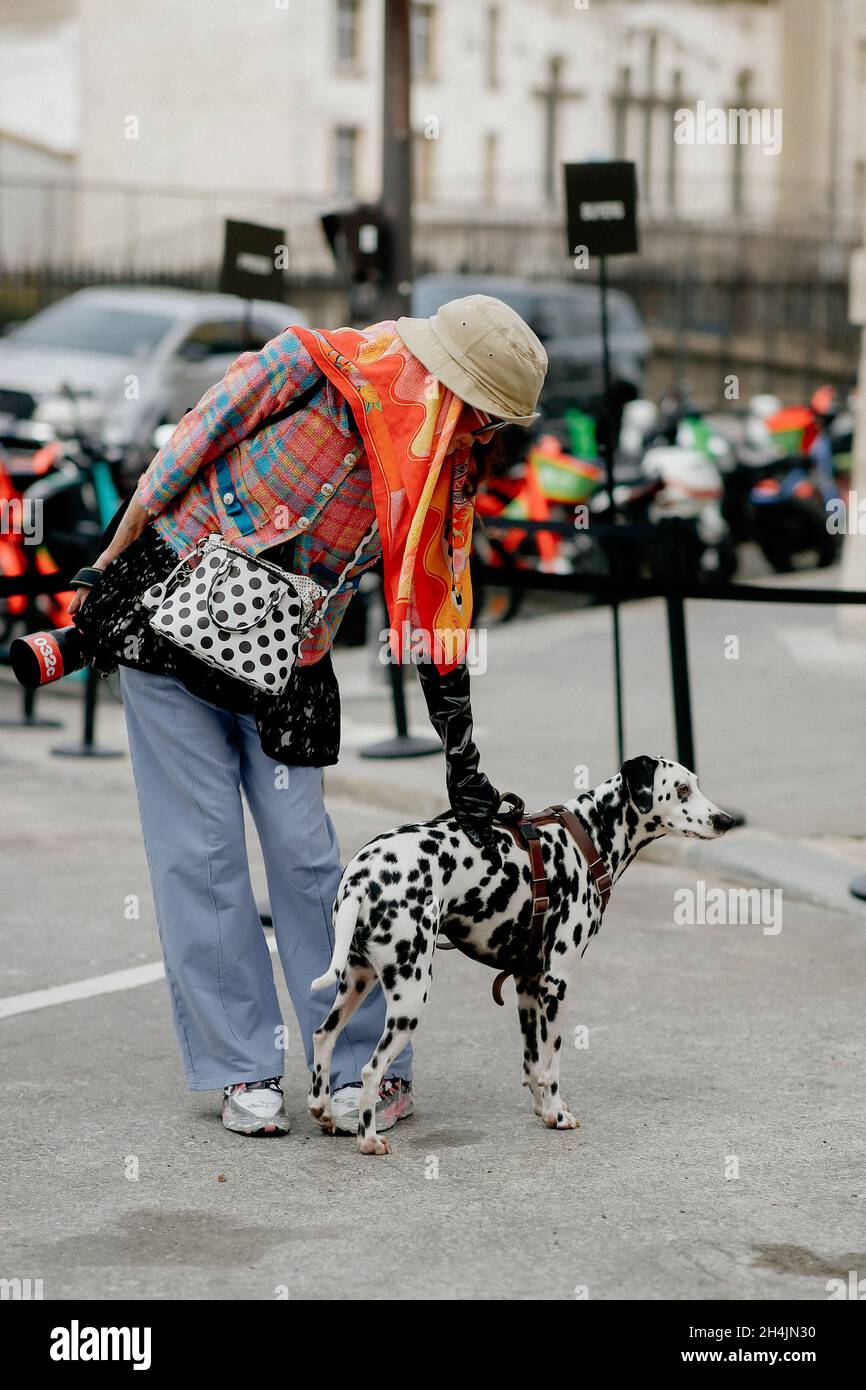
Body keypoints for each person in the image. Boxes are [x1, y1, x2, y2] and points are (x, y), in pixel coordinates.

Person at [70, 295, 547, 1138]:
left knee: (307, 861)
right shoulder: (307, 363)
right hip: (177, 624)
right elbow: (184, 450)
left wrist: (462, 760)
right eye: (480, 411)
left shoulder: (440, 463)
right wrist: (109, 571)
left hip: (288, 662)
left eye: (492, 421)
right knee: (202, 853)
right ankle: (241, 1066)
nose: (484, 431)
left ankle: (363, 1064)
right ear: (441, 379)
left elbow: (436, 609)